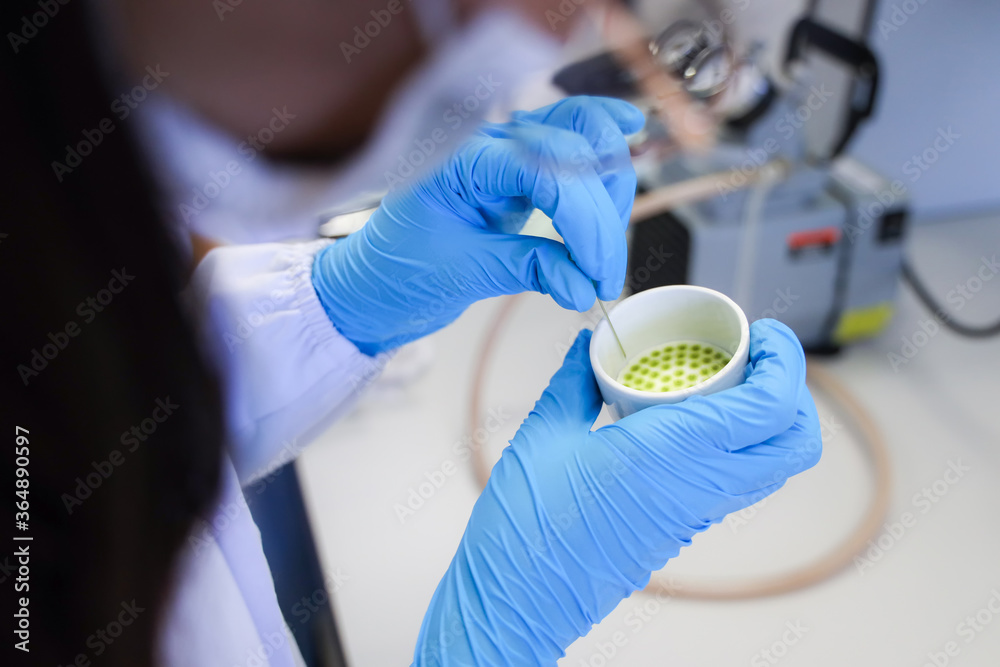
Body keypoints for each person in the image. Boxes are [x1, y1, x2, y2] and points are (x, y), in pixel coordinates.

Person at [9, 0, 822, 665]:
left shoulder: (65, 199)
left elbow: (99, 417)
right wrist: (490, 640)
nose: (538, 31)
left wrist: (338, 303)